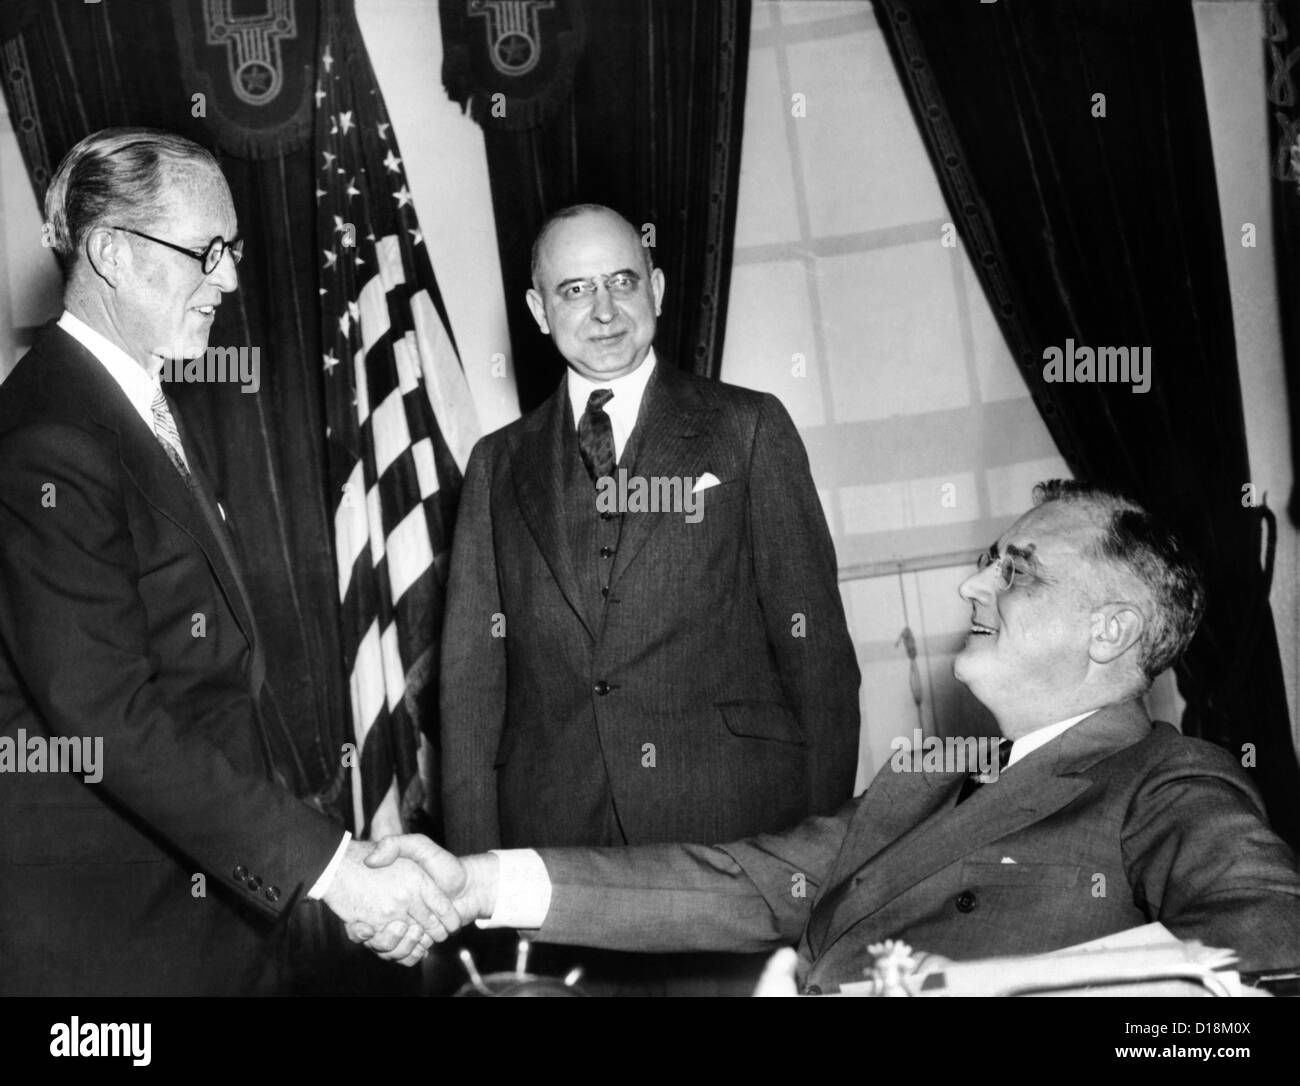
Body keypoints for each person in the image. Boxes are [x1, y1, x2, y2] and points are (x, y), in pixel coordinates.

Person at [363, 481, 1300, 992]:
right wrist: (479, 881)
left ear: (1111, 633)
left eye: (1015, 572)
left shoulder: (1168, 779)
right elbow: (741, 882)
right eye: (984, 565)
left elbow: (1270, 958)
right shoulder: (933, 777)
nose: (974, 588)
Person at [0, 128, 462, 996]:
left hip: (204, 922)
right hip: (112, 952)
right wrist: (336, 874)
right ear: (110, 252)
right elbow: (107, 722)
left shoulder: (130, 406)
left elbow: (204, 692)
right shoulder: (51, 437)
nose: (232, 279)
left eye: (235, 250)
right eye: (208, 252)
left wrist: (327, 864)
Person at [440, 203, 860, 856]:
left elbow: (820, 663)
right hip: (559, 849)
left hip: (738, 831)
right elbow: (471, 692)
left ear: (656, 289)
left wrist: (823, 852)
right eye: (574, 290)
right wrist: (477, 882)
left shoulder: (747, 429)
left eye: (622, 282)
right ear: (537, 310)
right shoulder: (496, 465)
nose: (604, 311)